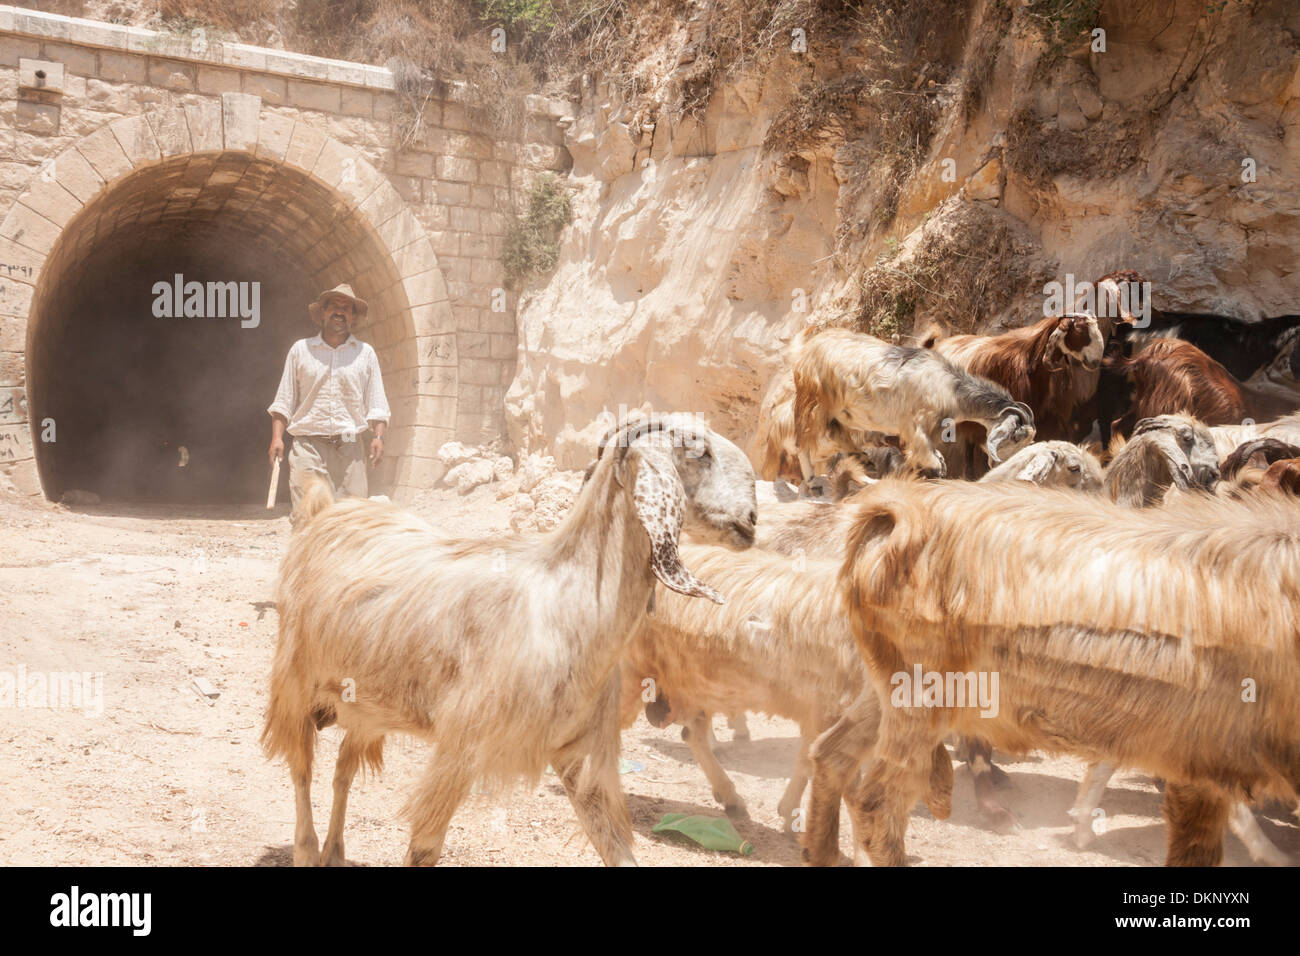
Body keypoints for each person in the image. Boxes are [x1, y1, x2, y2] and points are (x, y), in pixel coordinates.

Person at [267, 284, 390, 514]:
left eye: (346, 308)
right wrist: (277, 438)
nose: (339, 312)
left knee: (350, 520)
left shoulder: (365, 354)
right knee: (307, 516)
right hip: (308, 447)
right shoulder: (300, 350)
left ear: (353, 317)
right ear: (323, 312)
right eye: (334, 306)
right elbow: (284, 401)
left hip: (350, 447)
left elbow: (377, 403)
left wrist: (378, 436)